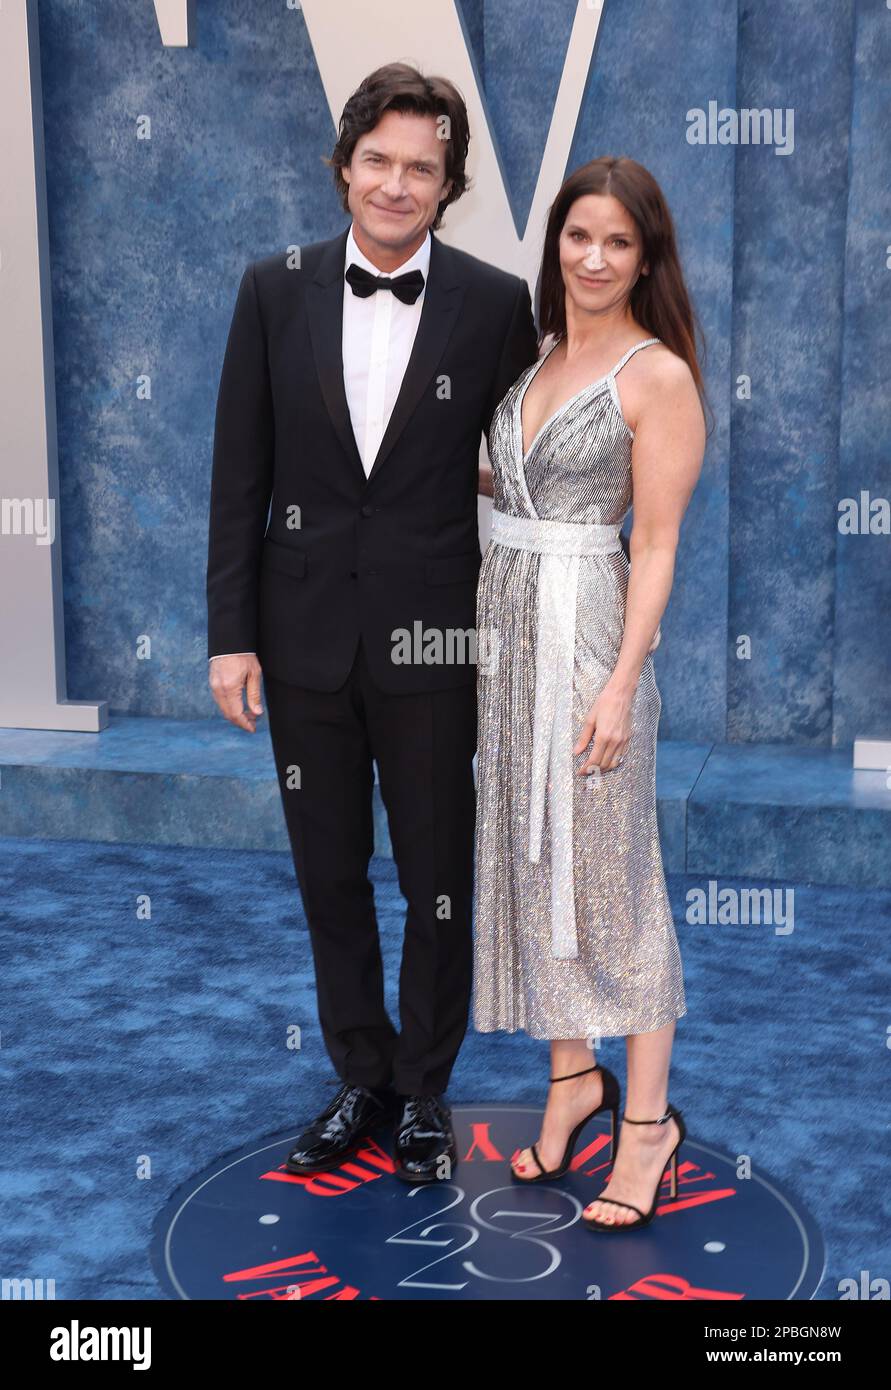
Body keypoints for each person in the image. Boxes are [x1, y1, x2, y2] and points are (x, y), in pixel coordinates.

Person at [206, 63, 538, 1183]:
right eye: (380, 161)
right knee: (327, 871)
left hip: (440, 644)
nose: (398, 185)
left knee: (440, 869)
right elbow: (236, 476)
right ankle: (360, 1073)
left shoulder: (497, 304)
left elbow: (526, 476)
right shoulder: (272, 288)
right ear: (345, 165)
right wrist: (229, 634)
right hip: (300, 642)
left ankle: (426, 1087)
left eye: (423, 169)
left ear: (448, 188)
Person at [473, 155, 707, 1230]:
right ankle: (574, 1079)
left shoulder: (657, 377)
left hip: (588, 646)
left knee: (615, 881)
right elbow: (510, 481)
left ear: (645, 256)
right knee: (534, 864)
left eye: (620, 241)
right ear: (556, 242)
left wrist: (620, 686)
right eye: (580, 236)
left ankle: (647, 1124)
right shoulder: (541, 357)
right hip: (508, 644)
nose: (597, 258)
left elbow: (653, 545)